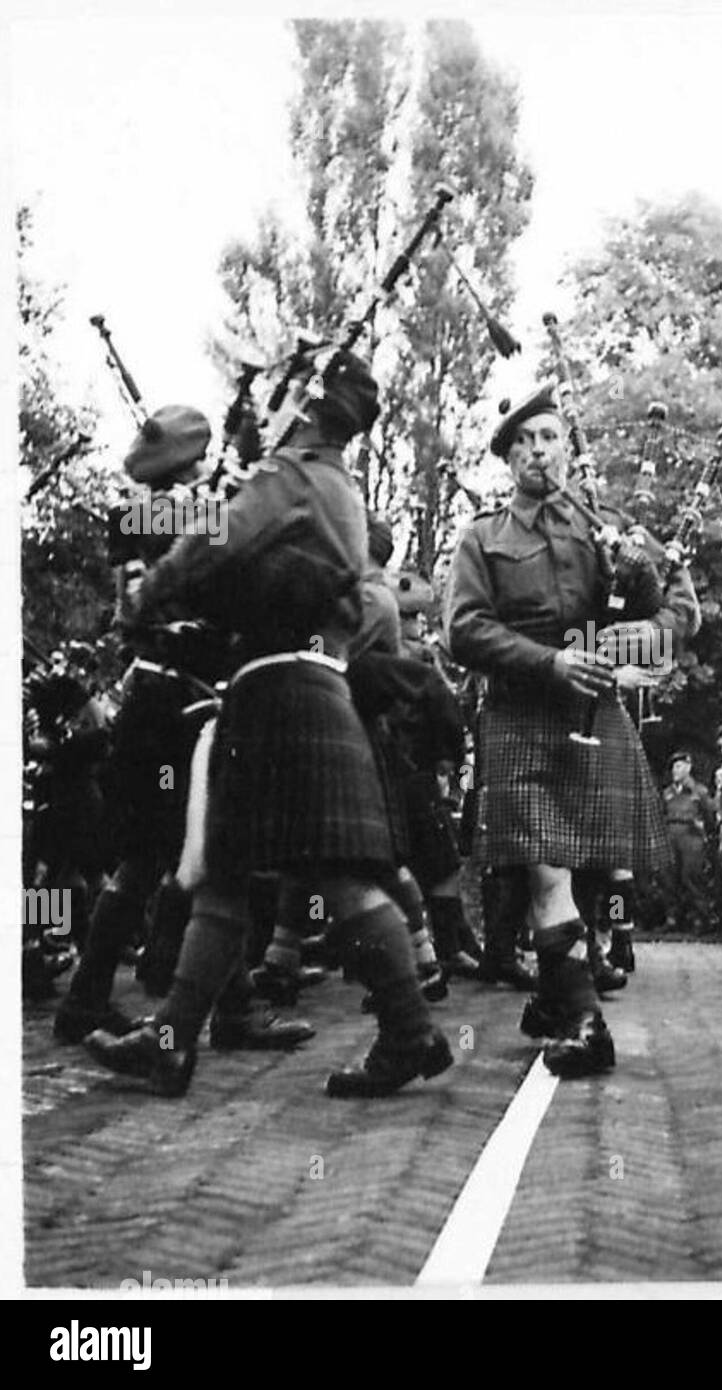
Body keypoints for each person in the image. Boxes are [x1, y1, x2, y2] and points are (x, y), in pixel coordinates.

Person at [86, 349, 450, 1098]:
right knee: (228, 872)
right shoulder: (334, 482)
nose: (263, 408)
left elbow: (211, 546)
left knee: (335, 879)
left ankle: (409, 1032)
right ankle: (172, 1040)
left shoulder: (286, 479)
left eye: (279, 393)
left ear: (308, 406)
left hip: (278, 687)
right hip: (302, 685)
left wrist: (148, 592)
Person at [443, 384, 699, 1077]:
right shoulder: (484, 538)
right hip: (521, 717)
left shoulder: (608, 533)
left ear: (566, 446)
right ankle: (589, 1025)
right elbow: (462, 630)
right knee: (545, 874)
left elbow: (681, 614)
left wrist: (634, 641)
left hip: (595, 716)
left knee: (585, 878)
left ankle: (561, 995)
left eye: (549, 437)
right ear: (507, 458)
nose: (537, 452)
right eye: (522, 443)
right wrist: (549, 661)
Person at [55, 406, 221, 1043]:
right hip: (169, 700)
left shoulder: (145, 515)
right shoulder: (151, 516)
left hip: (156, 698)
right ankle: (107, 992)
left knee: (152, 857)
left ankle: (93, 995)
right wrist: (211, 494)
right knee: (180, 849)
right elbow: (198, 532)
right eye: (198, 463)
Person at [659, 751, 717, 935]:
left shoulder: (699, 791)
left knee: (692, 877)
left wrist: (706, 831)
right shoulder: (667, 792)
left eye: (679, 766)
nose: (675, 771)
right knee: (669, 878)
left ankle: (702, 918)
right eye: (674, 767)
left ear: (688, 767)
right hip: (671, 835)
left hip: (691, 837)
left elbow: (709, 815)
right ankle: (673, 918)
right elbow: (660, 815)